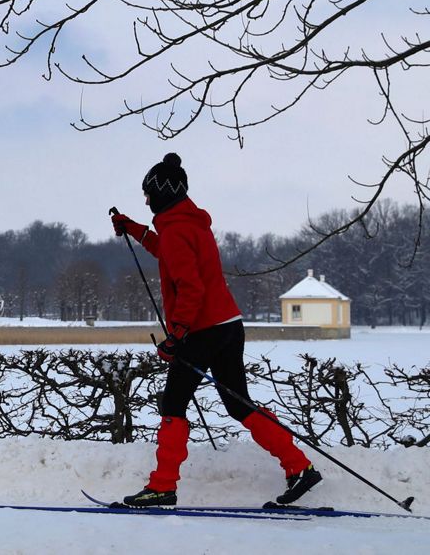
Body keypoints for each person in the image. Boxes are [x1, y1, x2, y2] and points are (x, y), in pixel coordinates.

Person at [110, 152, 322, 508]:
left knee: (173, 403)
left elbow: (190, 288)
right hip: (228, 325)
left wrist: (176, 335)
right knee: (239, 404)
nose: (145, 201)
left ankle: (163, 486)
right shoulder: (190, 224)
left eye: (147, 194)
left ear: (161, 194)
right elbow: (165, 250)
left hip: (202, 330)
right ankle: (299, 466)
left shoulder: (176, 230)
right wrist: (132, 228)